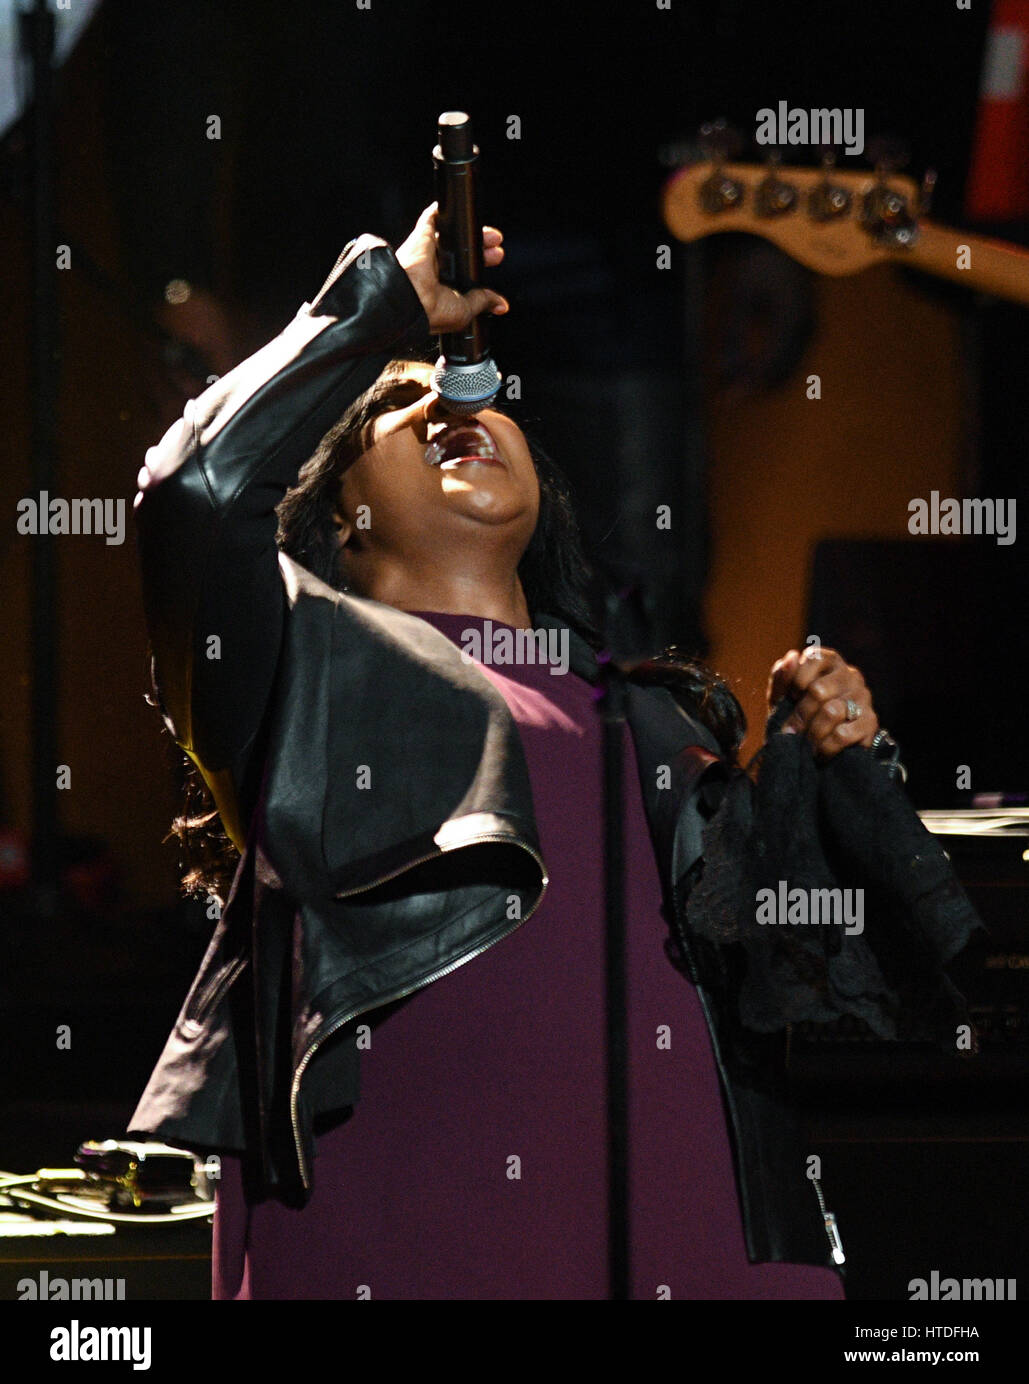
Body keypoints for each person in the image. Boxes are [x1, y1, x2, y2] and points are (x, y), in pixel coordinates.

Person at [127, 205, 970, 1300]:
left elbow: (819, 994)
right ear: (338, 520)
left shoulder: (650, 720)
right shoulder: (300, 683)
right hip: (417, 1250)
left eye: (466, 388)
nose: (448, 396)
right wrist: (380, 310)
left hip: (712, 1254)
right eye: (394, 404)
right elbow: (193, 493)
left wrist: (840, 780)